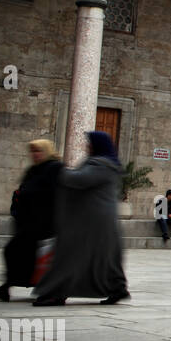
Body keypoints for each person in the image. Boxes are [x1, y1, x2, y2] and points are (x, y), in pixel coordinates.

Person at [31, 131, 129, 306]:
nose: (87, 146)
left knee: (73, 255)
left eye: (90, 144)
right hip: (97, 219)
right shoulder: (103, 164)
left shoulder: (103, 166)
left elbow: (78, 180)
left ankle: (57, 292)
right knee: (105, 257)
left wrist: (58, 168)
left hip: (93, 221)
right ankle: (117, 288)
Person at [0, 139, 63, 301]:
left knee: (20, 253)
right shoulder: (34, 169)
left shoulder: (54, 168)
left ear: (47, 151)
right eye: (33, 151)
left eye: (39, 151)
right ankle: (7, 287)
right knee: (20, 254)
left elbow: (53, 194)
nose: (35, 155)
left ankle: (43, 290)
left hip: (44, 223)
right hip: (29, 222)